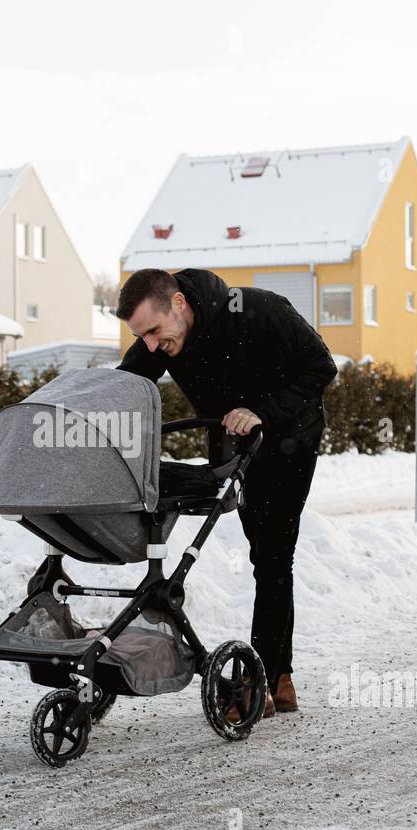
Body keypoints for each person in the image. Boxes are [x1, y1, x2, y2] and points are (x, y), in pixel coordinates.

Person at [117, 268, 337, 717]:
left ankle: (258, 680)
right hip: (240, 447)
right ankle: (281, 676)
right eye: (143, 337)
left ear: (179, 303)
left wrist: (260, 411)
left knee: (272, 552)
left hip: (291, 437)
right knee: (265, 551)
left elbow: (321, 367)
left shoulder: (259, 311)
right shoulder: (162, 335)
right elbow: (127, 385)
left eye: (155, 332)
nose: (153, 346)